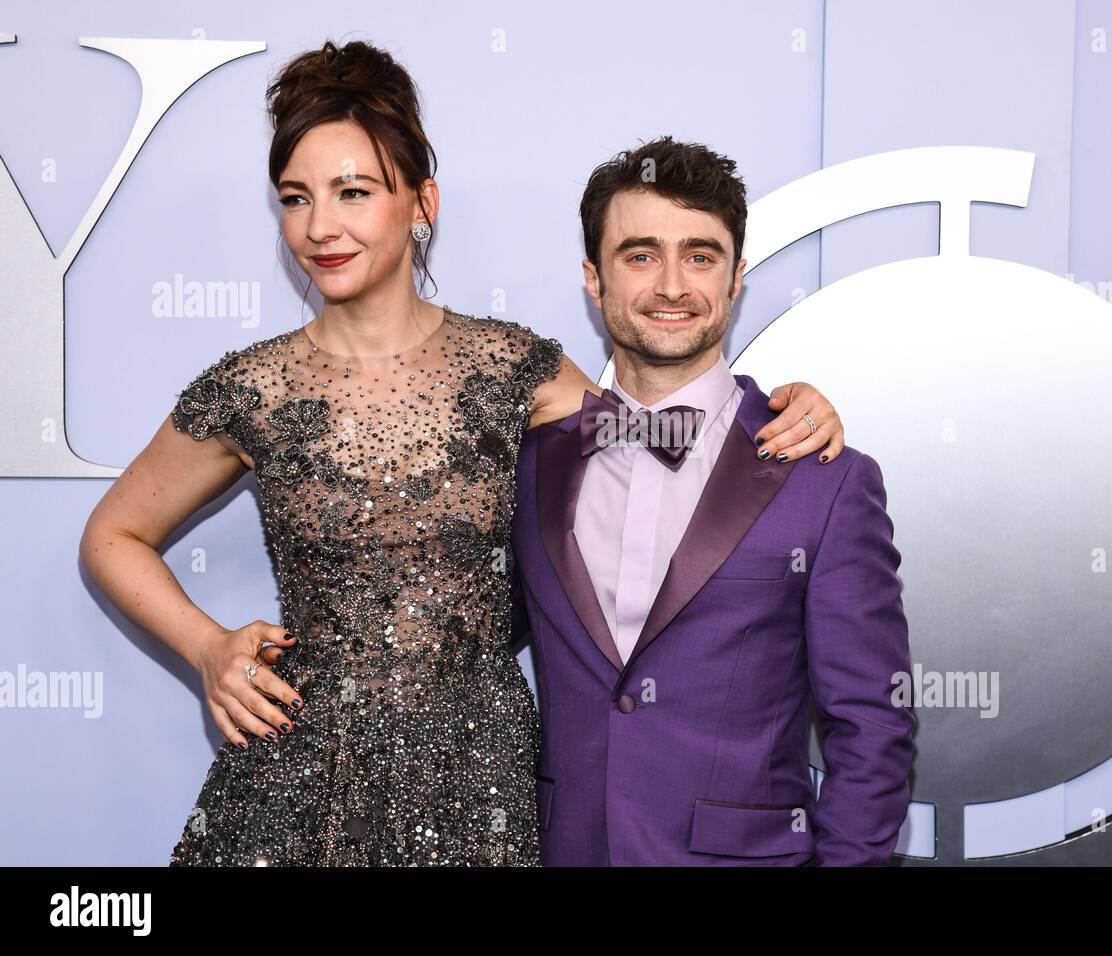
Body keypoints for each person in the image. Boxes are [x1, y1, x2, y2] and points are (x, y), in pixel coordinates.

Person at [77, 40, 846, 867]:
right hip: (299, 777)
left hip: (479, 776)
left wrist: (788, 403)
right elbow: (111, 537)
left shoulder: (514, 369)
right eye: (295, 199)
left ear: (421, 202)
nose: (321, 226)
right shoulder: (250, 391)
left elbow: (673, 439)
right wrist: (207, 648)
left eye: (353, 192)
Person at [509, 136, 916, 866]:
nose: (672, 286)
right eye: (639, 256)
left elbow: (873, 728)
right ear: (592, 280)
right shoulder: (528, 462)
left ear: (736, 281)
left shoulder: (824, 478)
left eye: (700, 257)